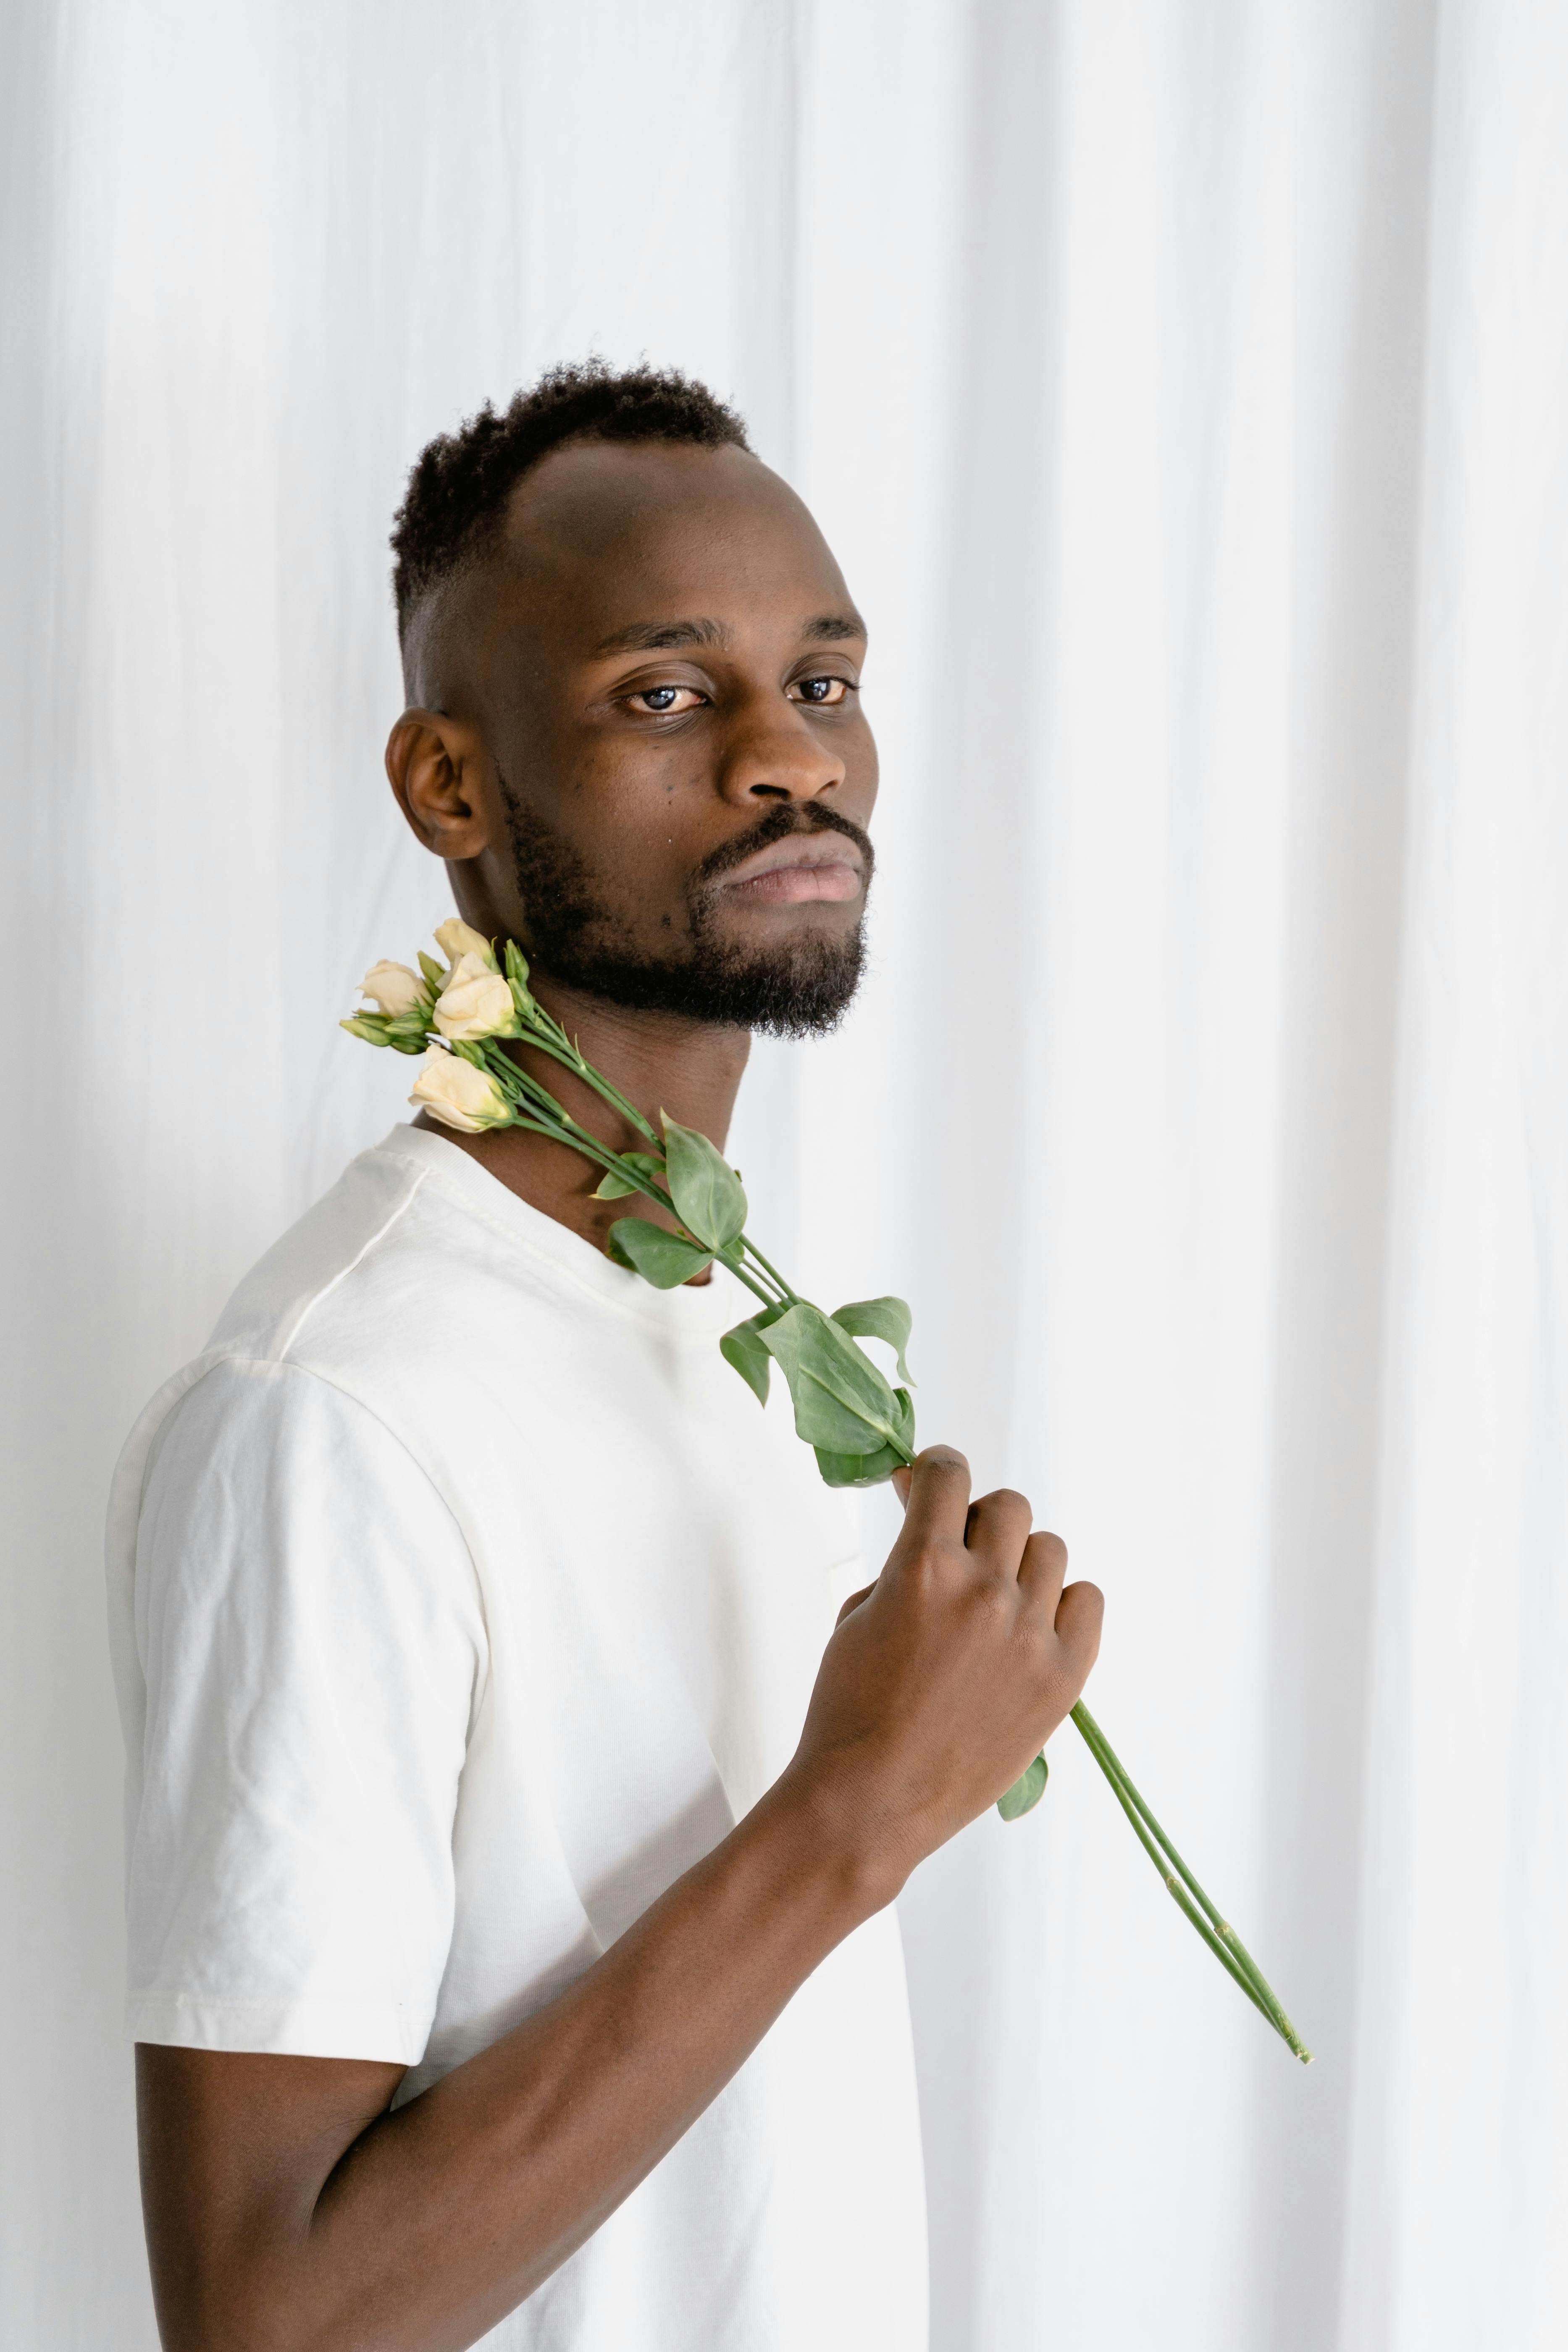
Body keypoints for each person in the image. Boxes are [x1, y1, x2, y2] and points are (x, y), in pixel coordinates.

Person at [107, 363, 1103, 2352]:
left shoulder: (716, 1321)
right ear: (450, 787)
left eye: (822, 681)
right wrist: (851, 1815)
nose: (785, 759)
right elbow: (265, 2317)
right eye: (668, 693)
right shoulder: (332, 1408)